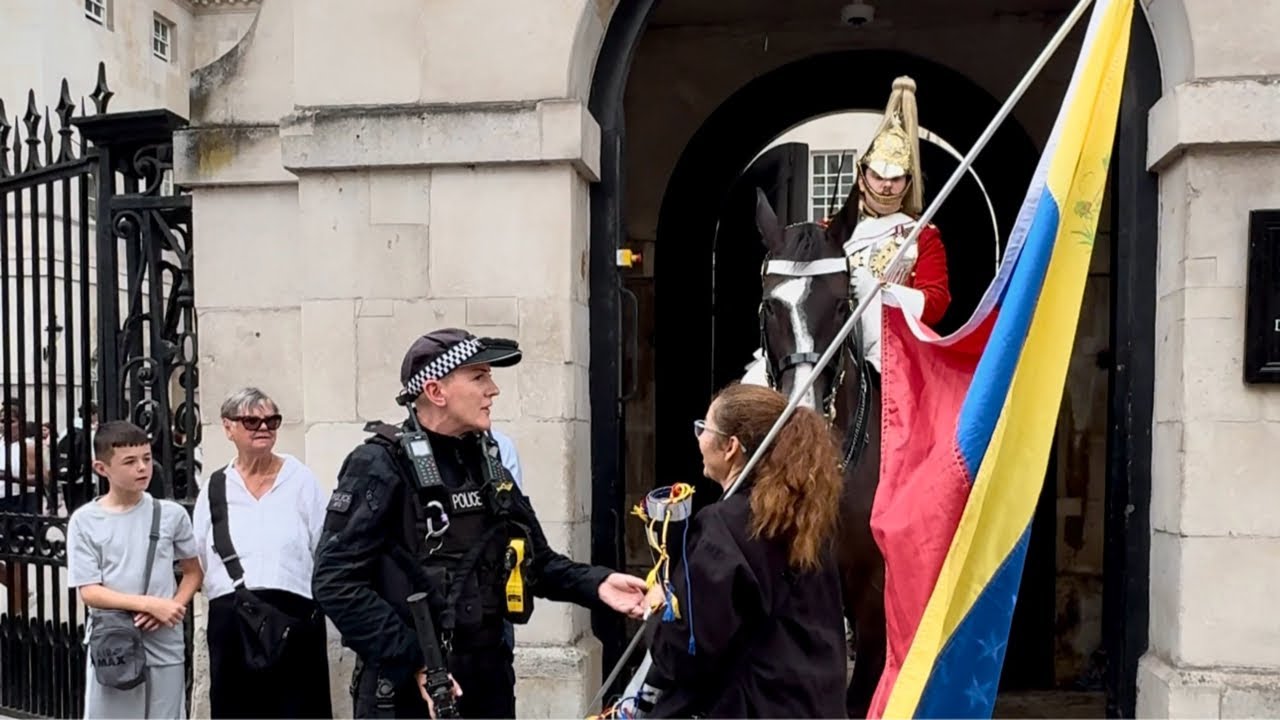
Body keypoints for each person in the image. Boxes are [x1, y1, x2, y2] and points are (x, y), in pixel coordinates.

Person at [312, 328, 648, 719]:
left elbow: (537, 562)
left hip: (487, 683)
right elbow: (334, 582)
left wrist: (599, 583)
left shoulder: (487, 461)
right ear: (436, 391)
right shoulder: (379, 464)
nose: (493, 390)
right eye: (479, 377)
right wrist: (417, 660)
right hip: (407, 692)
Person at [637, 383, 848, 718]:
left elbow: (685, 653)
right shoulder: (809, 519)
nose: (699, 438)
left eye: (704, 428)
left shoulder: (723, 526)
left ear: (730, 447)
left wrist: (657, 605)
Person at [743, 75, 951, 384]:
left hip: (893, 341)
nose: (886, 185)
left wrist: (878, 289)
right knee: (756, 382)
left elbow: (935, 304)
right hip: (828, 334)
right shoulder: (829, 230)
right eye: (878, 176)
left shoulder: (922, 235)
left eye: (896, 178)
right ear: (863, 177)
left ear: (907, 183)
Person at [192, 388, 333, 719]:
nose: (264, 428)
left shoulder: (300, 479)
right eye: (251, 421)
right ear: (228, 427)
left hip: (294, 616)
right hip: (232, 620)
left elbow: (323, 546)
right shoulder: (215, 487)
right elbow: (200, 555)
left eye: (272, 420)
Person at [66, 420, 203, 719]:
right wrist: (149, 604)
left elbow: (193, 571)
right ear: (102, 468)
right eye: (129, 462)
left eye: (146, 458)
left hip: (164, 637)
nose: (142, 468)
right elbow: (89, 591)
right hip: (114, 640)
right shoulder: (85, 521)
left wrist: (173, 606)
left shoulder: (171, 515)